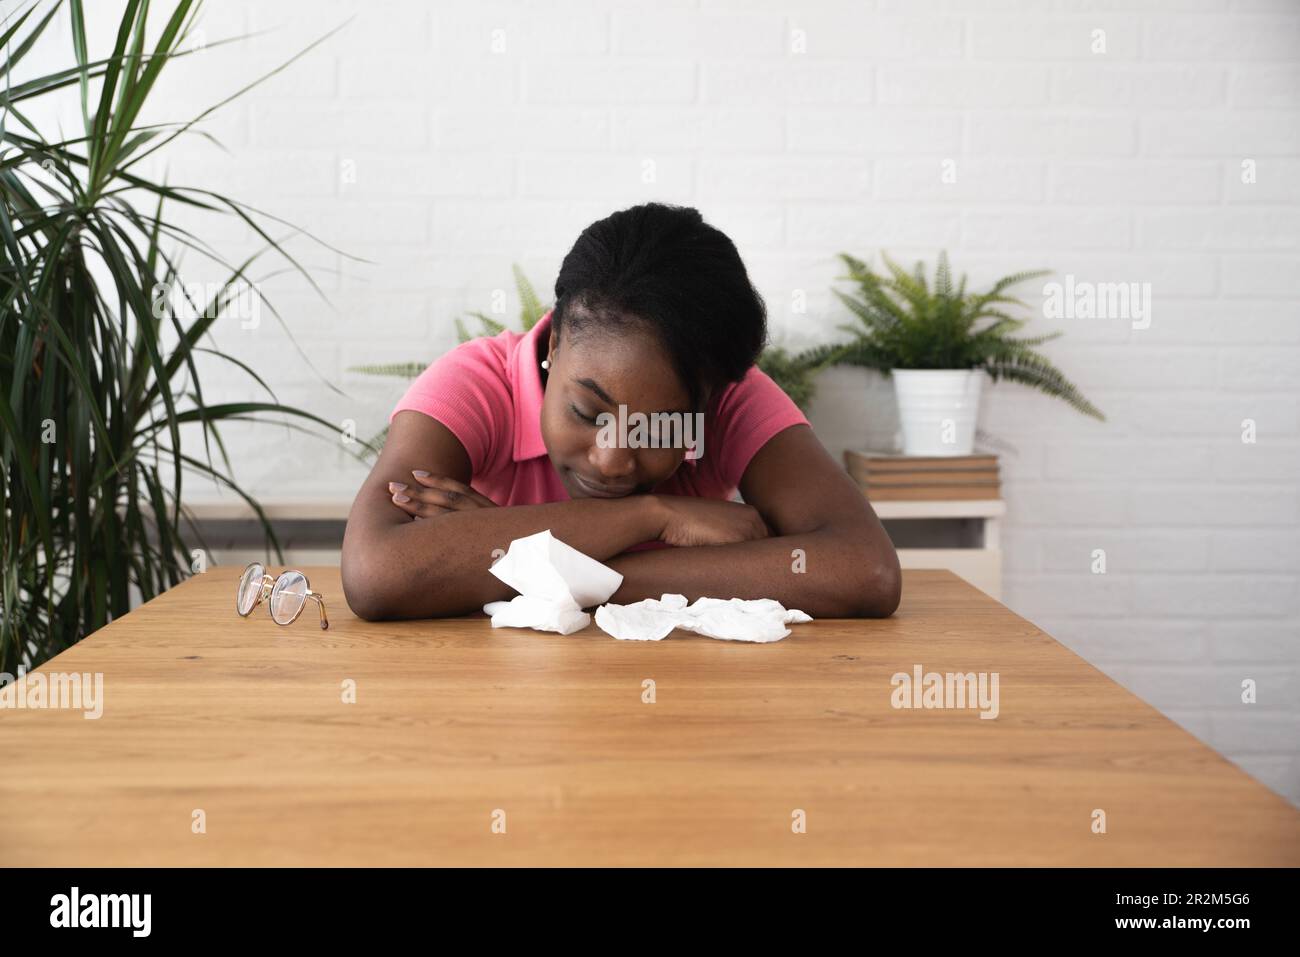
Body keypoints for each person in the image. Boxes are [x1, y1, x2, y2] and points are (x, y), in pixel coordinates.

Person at [341, 202, 900, 621]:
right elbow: (377, 574)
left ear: (711, 400)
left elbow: (863, 570)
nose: (610, 461)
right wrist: (652, 517)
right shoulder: (475, 384)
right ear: (554, 343)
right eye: (587, 412)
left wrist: (546, 569)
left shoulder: (733, 397)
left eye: (655, 428)